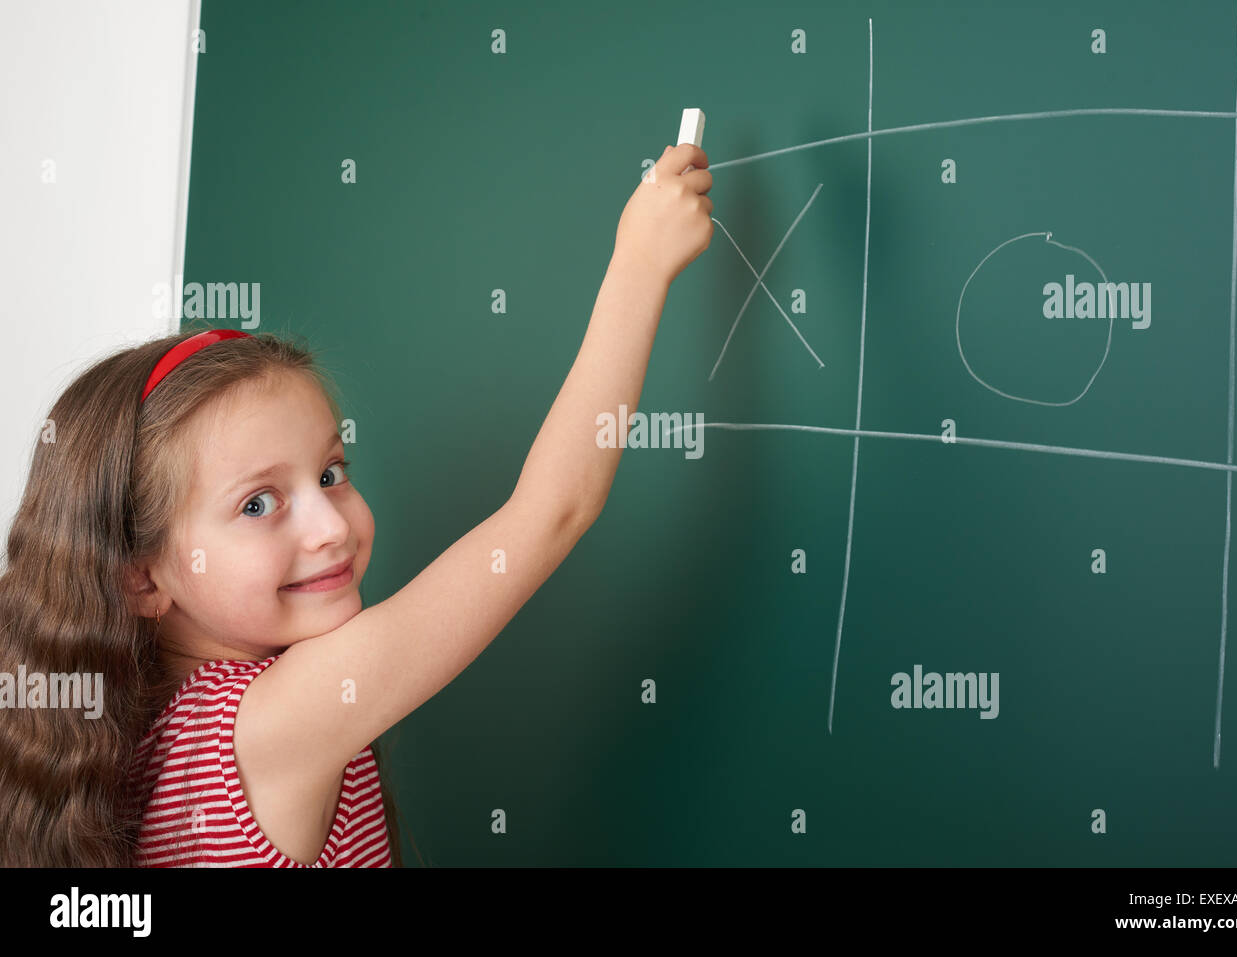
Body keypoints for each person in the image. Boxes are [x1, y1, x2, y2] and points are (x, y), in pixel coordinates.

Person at [0, 143, 712, 866]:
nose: (331, 525)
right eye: (258, 504)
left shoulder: (131, 729)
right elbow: (555, 510)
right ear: (142, 576)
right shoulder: (271, 723)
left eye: (332, 472)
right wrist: (640, 266)